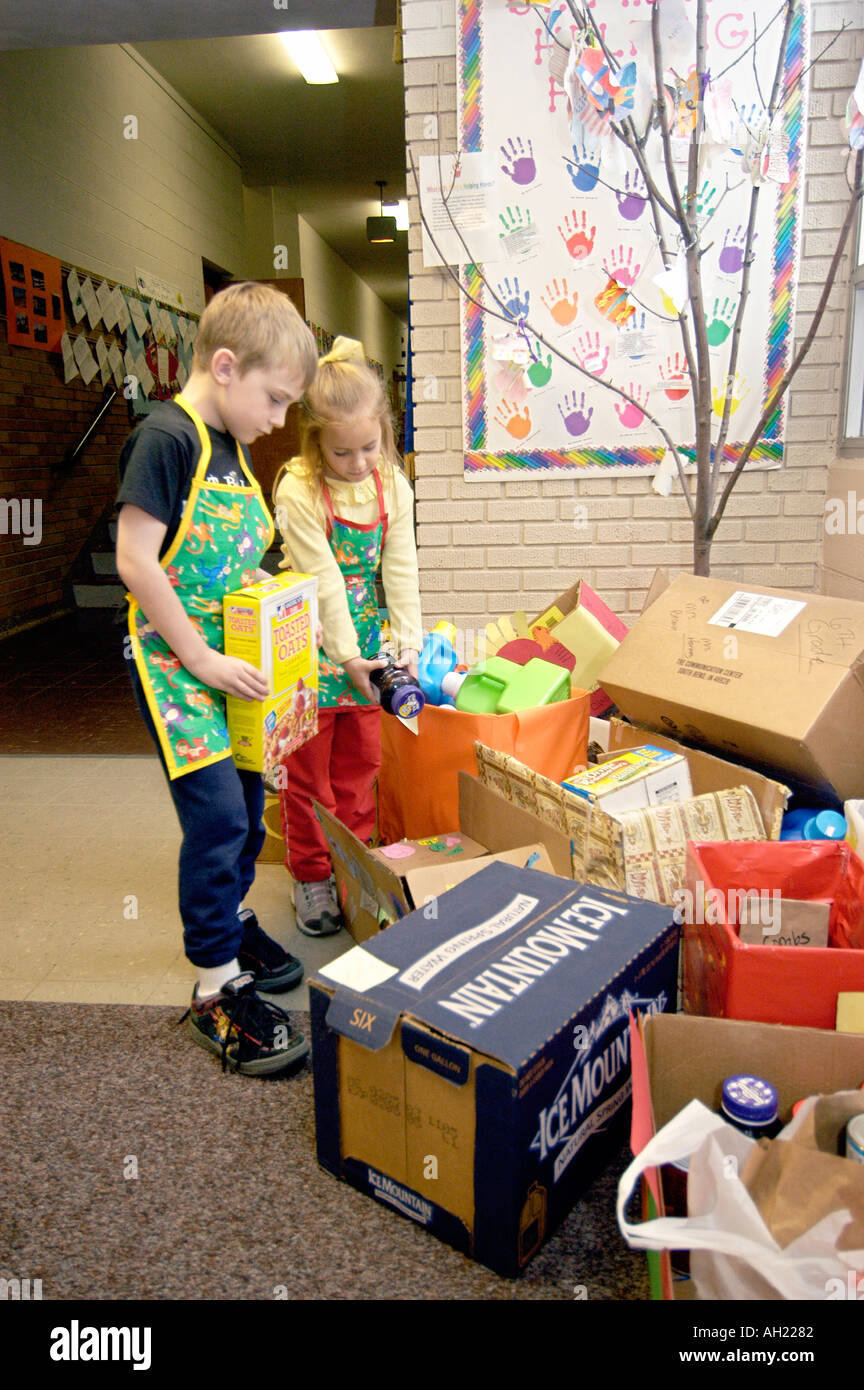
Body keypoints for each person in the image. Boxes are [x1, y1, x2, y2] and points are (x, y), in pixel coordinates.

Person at [115, 281, 319, 1077]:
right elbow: (137, 561)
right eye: (273, 400)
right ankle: (214, 983)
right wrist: (199, 657)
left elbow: (242, 559)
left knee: (247, 807)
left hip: (234, 671)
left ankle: (231, 923)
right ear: (226, 367)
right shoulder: (165, 438)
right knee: (215, 821)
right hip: (177, 670)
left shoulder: (231, 450)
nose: (276, 422)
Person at [273, 337, 422, 935]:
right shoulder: (298, 488)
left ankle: (355, 867)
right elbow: (325, 581)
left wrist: (405, 640)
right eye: (341, 452)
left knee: (359, 767)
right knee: (307, 772)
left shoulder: (393, 485)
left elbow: (401, 566)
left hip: (367, 649)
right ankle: (311, 878)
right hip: (310, 646)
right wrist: (348, 656)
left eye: (370, 446)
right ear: (315, 442)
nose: (359, 462)